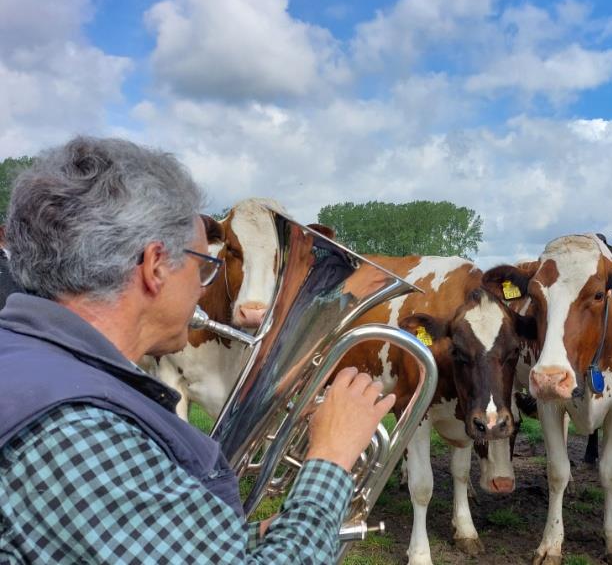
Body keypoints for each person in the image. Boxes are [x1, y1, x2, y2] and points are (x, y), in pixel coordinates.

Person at [0, 137, 395, 564]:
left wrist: (245, 539)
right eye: (203, 265)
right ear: (154, 267)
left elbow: (140, 542)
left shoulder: (31, 365)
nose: (202, 286)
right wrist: (332, 459)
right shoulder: (76, 431)